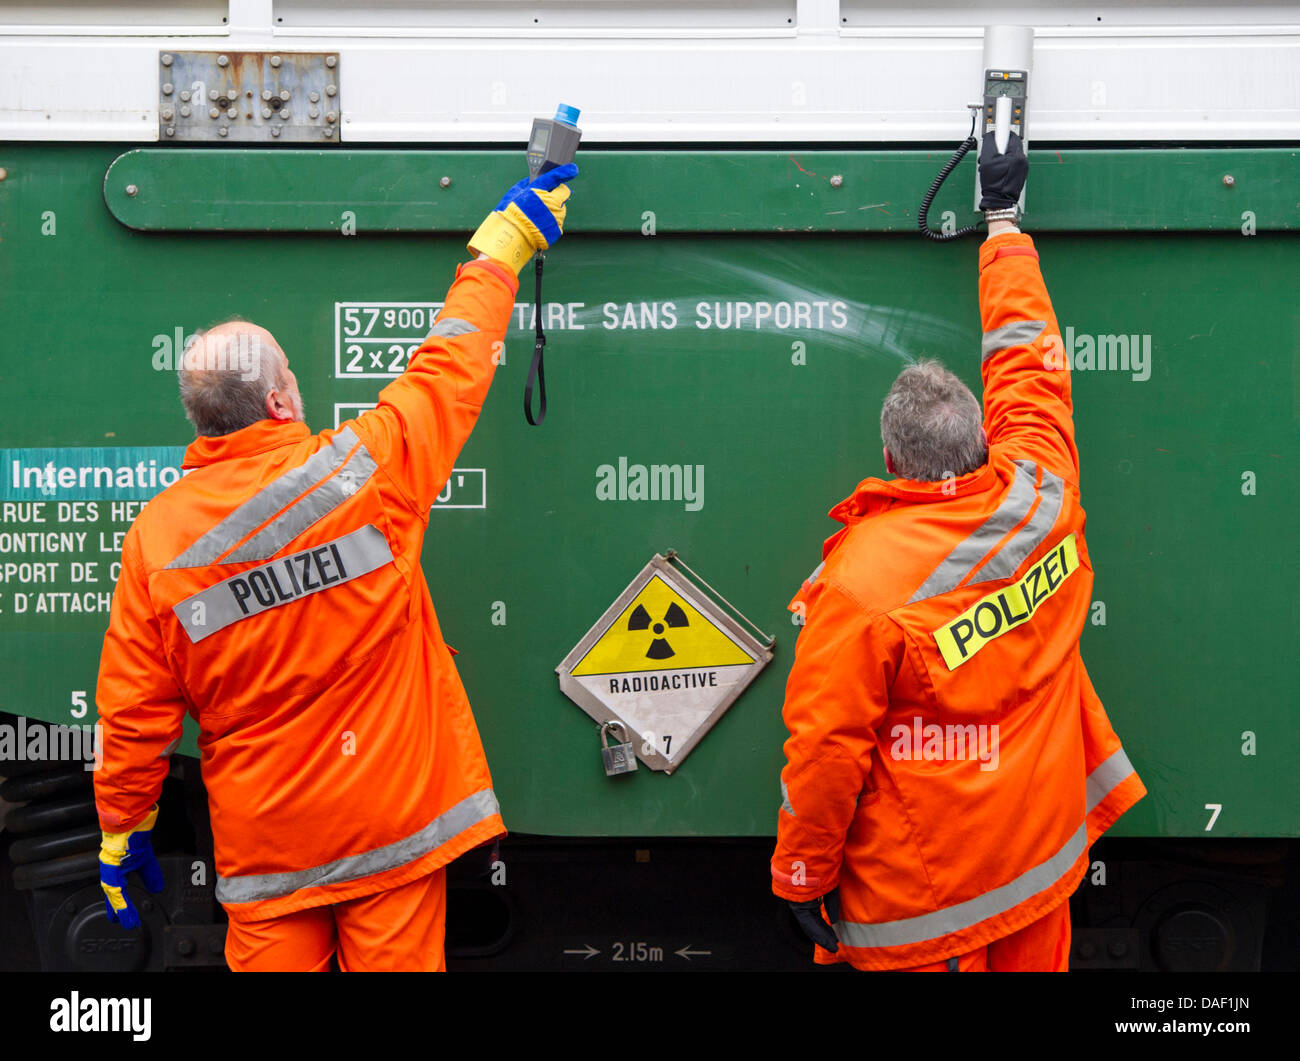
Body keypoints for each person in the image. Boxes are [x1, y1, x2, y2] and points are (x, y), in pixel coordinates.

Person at [93, 164, 579, 971]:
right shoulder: (364, 471)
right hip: (389, 832)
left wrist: (122, 826)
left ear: (200, 419)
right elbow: (451, 366)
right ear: (282, 401)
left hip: (268, 850)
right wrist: (507, 239)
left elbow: (134, 710)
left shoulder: (155, 540)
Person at [770, 135, 1145, 972]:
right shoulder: (1040, 492)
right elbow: (1030, 365)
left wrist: (801, 875)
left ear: (895, 462)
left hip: (924, 908)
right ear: (983, 440)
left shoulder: (862, 582)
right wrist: (1003, 224)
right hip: (1038, 870)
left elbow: (826, 748)